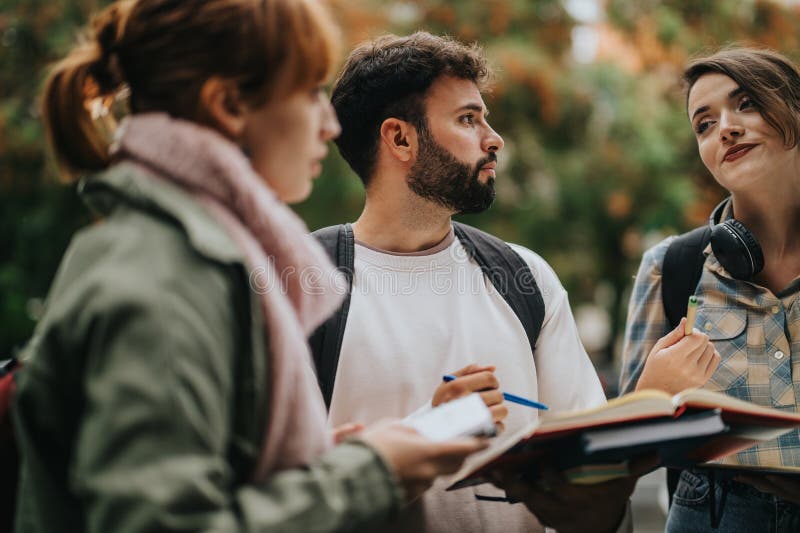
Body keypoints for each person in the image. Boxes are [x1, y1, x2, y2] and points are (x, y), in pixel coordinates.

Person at [11, 2, 491, 532]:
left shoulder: (184, 251)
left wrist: (324, 466)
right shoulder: (165, 279)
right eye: (309, 92)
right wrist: (367, 473)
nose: (330, 125)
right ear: (230, 104)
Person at [312, 31, 674, 533]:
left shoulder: (525, 277)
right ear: (399, 138)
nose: (494, 137)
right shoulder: (300, 284)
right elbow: (264, 491)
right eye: (467, 119)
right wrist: (426, 436)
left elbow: (593, 481)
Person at [620, 47, 800, 532]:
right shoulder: (670, 267)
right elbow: (625, 455)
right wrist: (651, 395)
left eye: (746, 103)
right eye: (704, 123)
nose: (725, 128)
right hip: (714, 515)